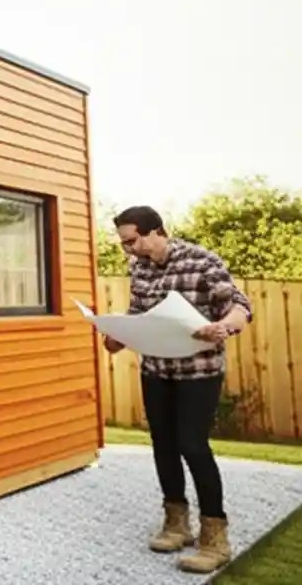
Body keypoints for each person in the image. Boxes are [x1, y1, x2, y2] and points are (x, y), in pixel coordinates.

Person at [104, 205, 252, 574]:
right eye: (123, 243)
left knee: (192, 445)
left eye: (132, 241)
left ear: (156, 231)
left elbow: (238, 305)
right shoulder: (138, 269)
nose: (128, 250)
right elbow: (138, 313)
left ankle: (215, 539)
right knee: (163, 444)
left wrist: (225, 326)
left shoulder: (201, 261)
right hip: (156, 369)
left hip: (198, 372)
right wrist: (116, 336)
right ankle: (176, 523)